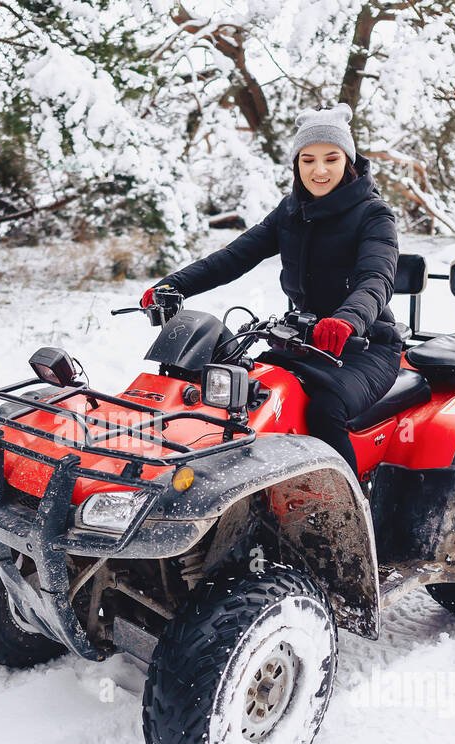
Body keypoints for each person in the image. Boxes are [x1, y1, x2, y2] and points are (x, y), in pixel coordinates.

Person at [141, 103, 401, 476]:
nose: (320, 170)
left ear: (348, 160)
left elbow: (377, 280)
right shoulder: (290, 212)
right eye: (308, 160)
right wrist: (174, 284)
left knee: (325, 410)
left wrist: (347, 319)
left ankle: (347, 510)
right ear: (297, 164)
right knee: (248, 397)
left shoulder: (374, 214)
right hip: (303, 341)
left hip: (365, 346)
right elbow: (233, 257)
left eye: (331, 157)